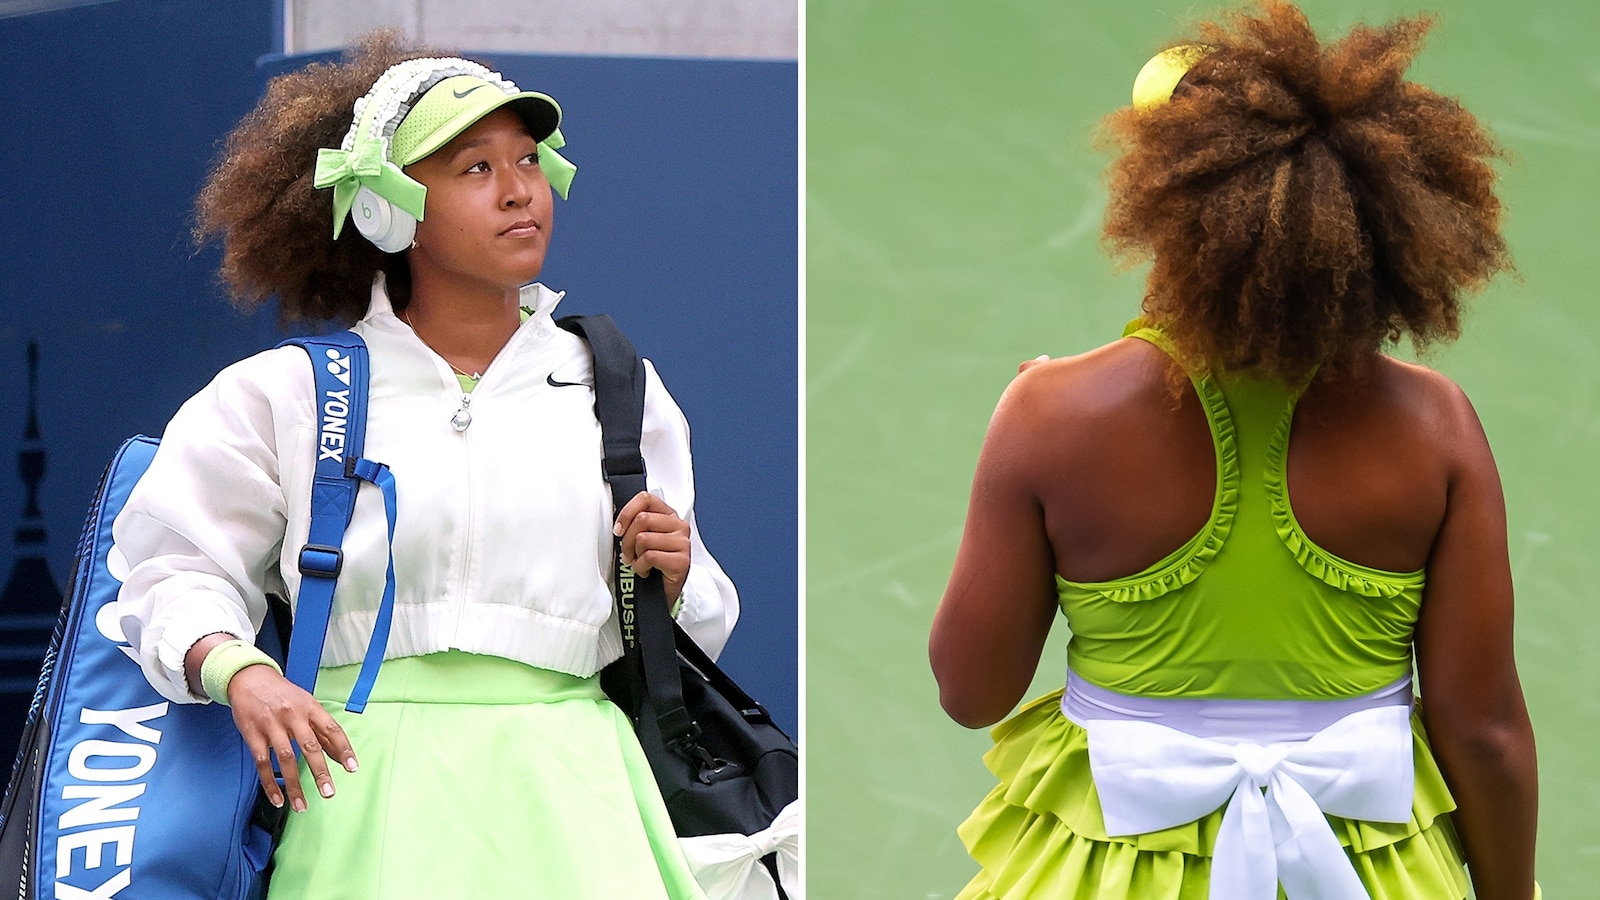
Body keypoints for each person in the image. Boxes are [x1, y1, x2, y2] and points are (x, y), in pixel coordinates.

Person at [929, 3, 1538, 898]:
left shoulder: (1048, 413)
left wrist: (1028, 425)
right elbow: (1482, 730)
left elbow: (970, 690)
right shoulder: (1436, 426)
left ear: (1163, 202)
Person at [111, 32, 736, 898]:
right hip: (356, 789)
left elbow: (693, 628)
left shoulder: (619, 388)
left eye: (528, 159)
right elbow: (167, 569)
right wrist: (239, 670)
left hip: (581, 797)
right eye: (475, 169)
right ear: (385, 209)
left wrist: (673, 577)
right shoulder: (286, 393)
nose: (520, 190)